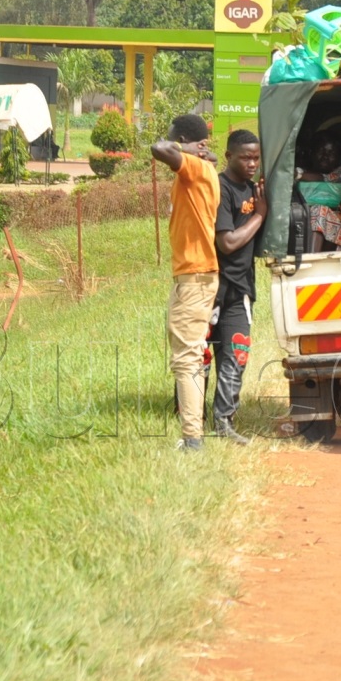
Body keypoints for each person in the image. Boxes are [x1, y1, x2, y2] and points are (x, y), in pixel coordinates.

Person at [151, 114, 220, 451]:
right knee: (187, 354)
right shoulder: (203, 169)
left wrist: (189, 150)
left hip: (195, 275)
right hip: (194, 274)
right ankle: (192, 435)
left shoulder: (194, 168)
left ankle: (192, 438)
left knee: (186, 359)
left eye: (176, 138)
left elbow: (158, 148)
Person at [211, 130, 267, 445]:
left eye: (256, 158)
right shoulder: (221, 188)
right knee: (202, 357)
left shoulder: (252, 189)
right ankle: (187, 414)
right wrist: (259, 216)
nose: (252, 163)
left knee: (237, 353)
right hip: (213, 285)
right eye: (245, 157)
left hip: (240, 288)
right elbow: (228, 242)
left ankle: (223, 421)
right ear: (229, 156)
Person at [297, 133, 341, 252]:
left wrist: (298, 175)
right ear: (312, 153)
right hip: (305, 220)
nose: (325, 156)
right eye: (321, 151)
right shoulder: (304, 171)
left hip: (337, 222)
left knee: (319, 210)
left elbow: (324, 178)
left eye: (331, 153)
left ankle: (313, 258)